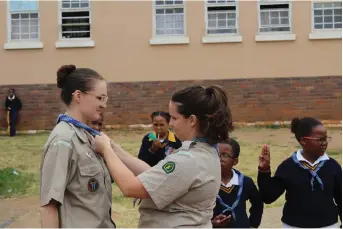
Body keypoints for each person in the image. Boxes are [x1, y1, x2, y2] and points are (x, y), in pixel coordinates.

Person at [95, 85, 233, 227]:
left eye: (174, 117)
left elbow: (130, 187)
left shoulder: (188, 160)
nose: (171, 123)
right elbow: (155, 177)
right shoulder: (205, 150)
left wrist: (106, 150)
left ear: (192, 120)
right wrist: (114, 148)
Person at [40, 65, 115, 228]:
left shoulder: (88, 136)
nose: (104, 105)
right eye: (99, 98)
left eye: (105, 99)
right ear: (78, 96)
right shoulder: (63, 141)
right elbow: (49, 206)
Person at [258, 117, 342, 228]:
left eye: (326, 139)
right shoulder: (288, 167)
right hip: (294, 225)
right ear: (303, 141)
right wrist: (264, 171)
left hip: (328, 225)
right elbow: (268, 197)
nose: (324, 143)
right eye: (320, 139)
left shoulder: (333, 166)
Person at [212, 138, 263, 228]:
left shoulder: (245, 182)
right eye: (216, 154)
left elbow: (257, 203)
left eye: (225, 155)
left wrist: (252, 225)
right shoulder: (207, 182)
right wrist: (211, 223)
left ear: (235, 161)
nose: (219, 159)